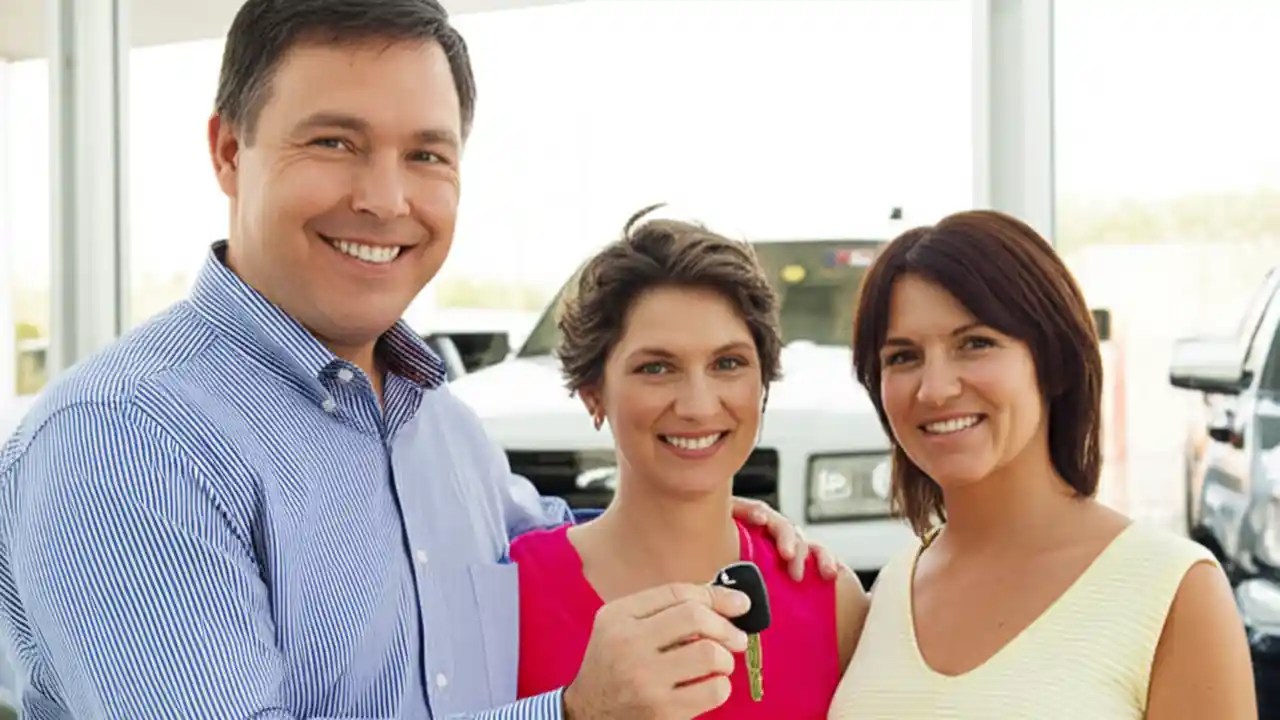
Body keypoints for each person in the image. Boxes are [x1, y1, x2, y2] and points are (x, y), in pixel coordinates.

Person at [0, 2, 838, 718]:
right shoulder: (124, 443)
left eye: (427, 155)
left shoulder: (442, 431)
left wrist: (725, 521)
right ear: (228, 151)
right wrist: (575, 711)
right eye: (333, 141)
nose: (386, 198)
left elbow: (562, 548)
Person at [827, 210, 1257, 719]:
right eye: (902, 356)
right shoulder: (884, 596)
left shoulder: (1174, 592)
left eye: (975, 344)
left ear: (1053, 361)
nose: (935, 388)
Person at [509, 207, 870, 718]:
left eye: (728, 364)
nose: (698, 405)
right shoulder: (512, 593)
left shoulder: (831, 601)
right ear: (594, 393)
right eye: (656, 367)